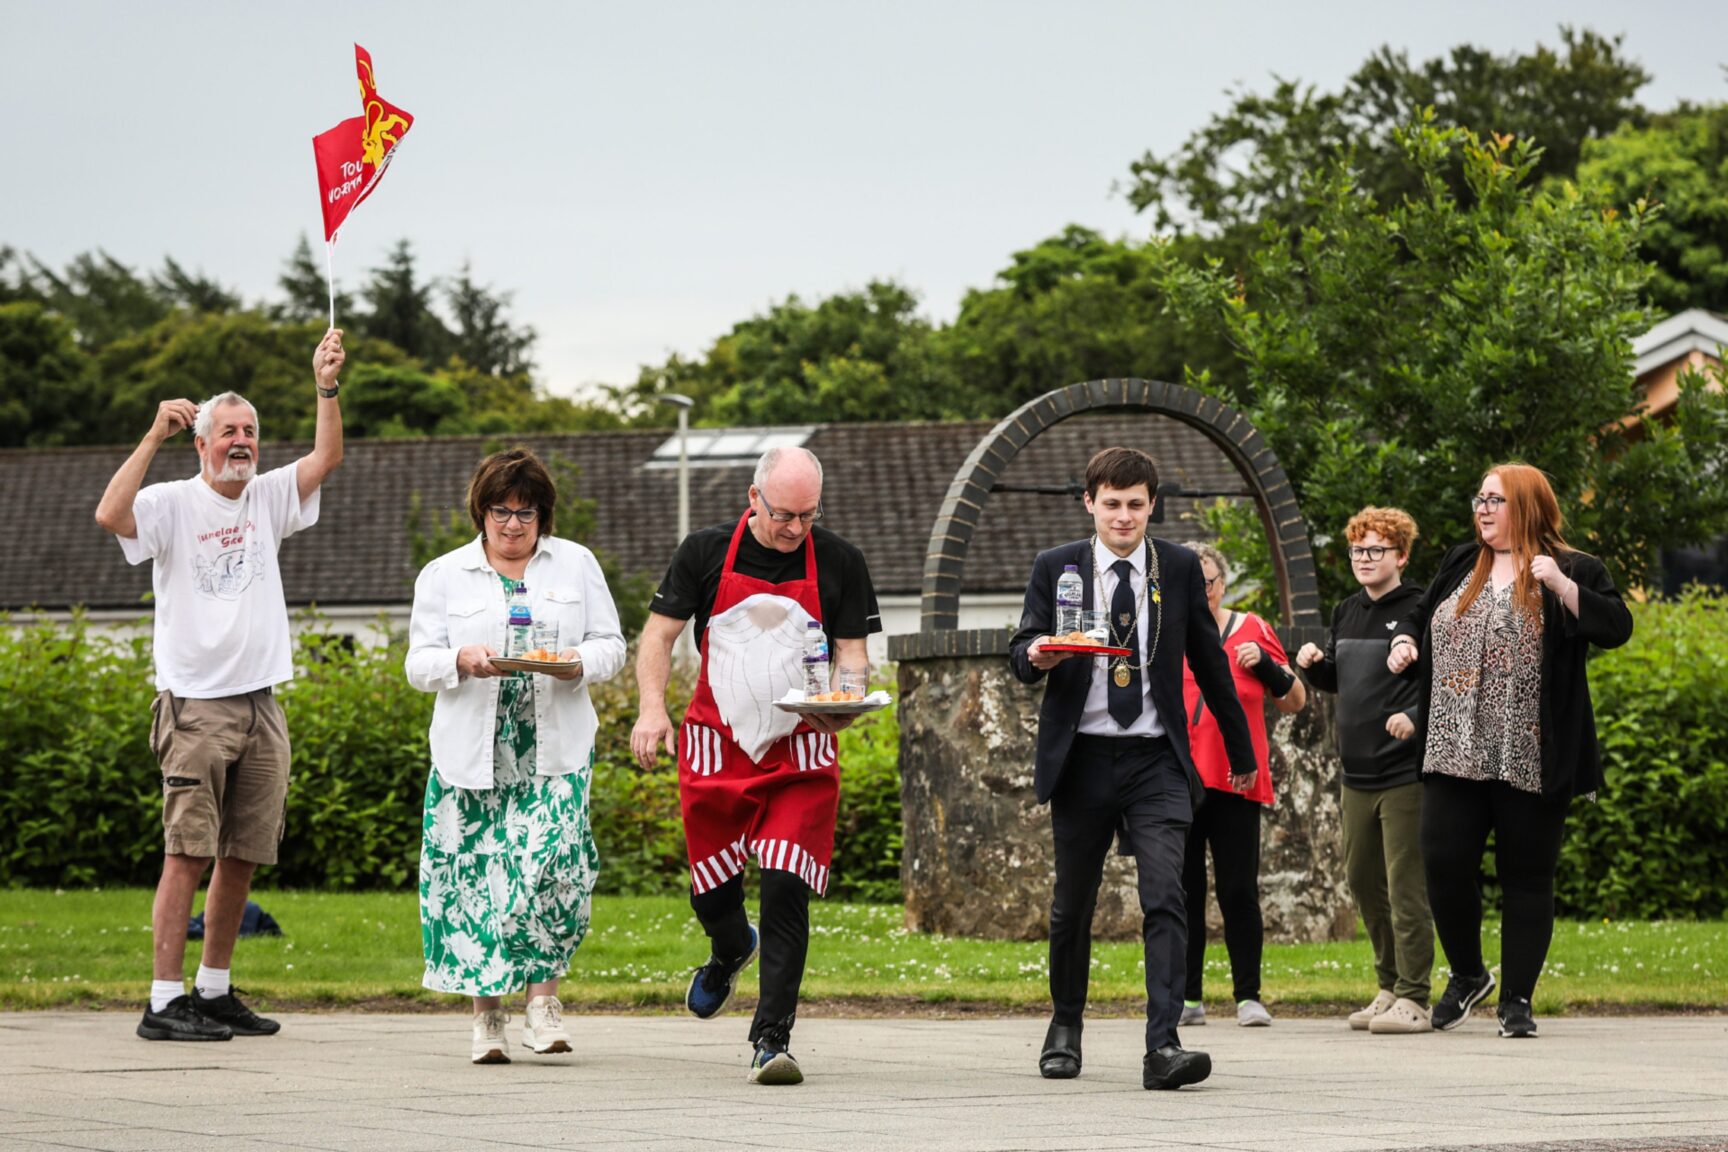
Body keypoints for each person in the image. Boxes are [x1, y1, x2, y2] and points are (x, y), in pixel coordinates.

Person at [95, 329, 348, 1041]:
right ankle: (162, 1000)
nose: (242, 441)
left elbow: (327, 456)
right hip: (196, 704)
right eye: (229, 432)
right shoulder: (172, 501)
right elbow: (111, 515)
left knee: (245, 851)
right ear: (201, 443)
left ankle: (212, 989)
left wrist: (325, 384)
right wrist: (150, 436)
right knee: (189, 851)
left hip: (261, 701)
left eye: (251, 431)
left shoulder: (266, 499)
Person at [1009, 447, 1259, 1091]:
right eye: (1112, 504)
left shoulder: (1175, 568)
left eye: (1136, 505)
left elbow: (1209, 661)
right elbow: (1022, 644)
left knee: (1165, 897)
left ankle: (1163, 1044)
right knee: (1072, 906)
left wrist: (1240, 756)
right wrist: (1035, 653)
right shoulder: (1055, 566)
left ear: (1153, 505)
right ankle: (1065, 1027)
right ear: (1089, 503)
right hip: (1083, 756)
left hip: (1156, 759)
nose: (1124, 516)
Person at [630, 446, 881, 1085]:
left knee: (784, 885)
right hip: (716, 743)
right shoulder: (705, 551)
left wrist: (846, 702)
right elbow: (657, 636)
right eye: (783, 515)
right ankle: (729, 947)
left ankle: (771, 1040)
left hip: (801, 748)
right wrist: (651, 711)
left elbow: (852, 654)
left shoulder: (843, 562)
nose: (795, 528)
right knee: (713, 893)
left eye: (808, 515)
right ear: (753, 498)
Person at [1388, 464, 1632, 1038]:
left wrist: (1563, 587)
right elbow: (1421, 614)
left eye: (1495, 499)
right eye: (1479, 499)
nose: (1483, 508)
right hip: (1453, 748)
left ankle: (1517, 999)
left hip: (1530, 752)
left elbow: (1617, 626)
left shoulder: (1573, 568)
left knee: (1526, 875)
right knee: (1444, 865)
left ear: (1526, 505)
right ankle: (1469, 975)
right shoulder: (1459, 562)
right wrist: (1403, 639)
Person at [406, 448, 626, 1064]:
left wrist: (579, 662)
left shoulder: (576, 565)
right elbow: (418, 662)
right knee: (475, 883)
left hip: (554, 749)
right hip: (471, 756)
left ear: (543, 516)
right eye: (501, 511)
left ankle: (544, 1003)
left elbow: (612, 643)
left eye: (525, 513)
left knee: (556, 870)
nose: (512, 525)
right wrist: (459, 660)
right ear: (482, 512)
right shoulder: (443, 574)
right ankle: (489, 1020)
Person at [1296, 507, 1434, 1034]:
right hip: (1354, 773)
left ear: (1400, 555)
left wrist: (1413, 718)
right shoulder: (1347, 611)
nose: (1364, 559)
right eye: (1358, 550)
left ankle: (1416, 997)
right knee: (1362, 880)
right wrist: (1314, 666)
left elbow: (1444, 681)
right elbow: (1340, 681)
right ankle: (1388, 986)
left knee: (1405, 886)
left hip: (1404, 774)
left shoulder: (1420, 608)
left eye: (1376, 550)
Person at [1177, 542, 1306, 1029]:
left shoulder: (1252, 628)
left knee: (1237, 890)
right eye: (1191, 582)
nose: (1201, 591)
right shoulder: (1170, 630)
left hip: (1237, 778)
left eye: (1206, 582)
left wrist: (1267, 666)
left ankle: (1248, 996)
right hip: (1180, 780)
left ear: (1222, 583)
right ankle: (1188, 998)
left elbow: (1294, 701)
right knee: (1183, 891)